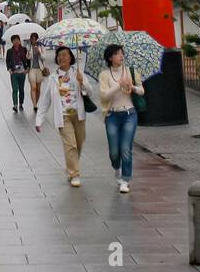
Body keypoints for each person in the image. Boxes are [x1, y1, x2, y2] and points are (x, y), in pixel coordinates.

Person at [34, 46, 90, 186]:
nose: (61, 58)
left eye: (64, 55)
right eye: (59, 55)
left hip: (78, 115)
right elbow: (45, 100)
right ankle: (74, 174)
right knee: (70, 145)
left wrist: (82, 82)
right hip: (63, 117)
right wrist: (39, 120)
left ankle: (71, 166)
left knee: (79, 144)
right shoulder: (53, 78)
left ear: (71, 58)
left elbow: (89, 92)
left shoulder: (78, 73)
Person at [98, 44, 144, 193]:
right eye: (117, 54)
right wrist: (119, 85)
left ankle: (125, 180)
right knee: (114, 152)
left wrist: (133, 87)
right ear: (110, 57)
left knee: (126, 148)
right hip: (112, 115)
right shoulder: (104, 75)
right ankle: (116, 167)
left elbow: (142, 91)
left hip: (129, 114)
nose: (121, 56)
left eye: (122, 53)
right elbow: (104, 95)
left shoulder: (131, 71)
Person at [5, 34, 30, 114]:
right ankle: (15, 105)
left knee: (21, 89)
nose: (16, 42)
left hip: (22, 72)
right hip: (14, 73)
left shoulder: (24, 49)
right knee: (15, 89)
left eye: (17, 40)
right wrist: (9, 69)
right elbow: (7, 61)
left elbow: (28, 60)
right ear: (12, 42)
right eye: (14, 40)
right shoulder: (9, 51)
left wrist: (27, 69)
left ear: (19, 40)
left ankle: (21, 103)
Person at [27, 32, 47, 112]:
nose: (33, 40)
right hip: (32, 69)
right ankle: (34, 105)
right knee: (33, 88)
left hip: (40, 69)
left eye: (35, 39)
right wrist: (28, 52)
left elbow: (44, 57)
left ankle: (36, 102)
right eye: (32, 39)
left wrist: (39, 52)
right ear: (31, 39)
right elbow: (28, 57)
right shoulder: (29, 46)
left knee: (38, 89)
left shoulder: (41, 46)